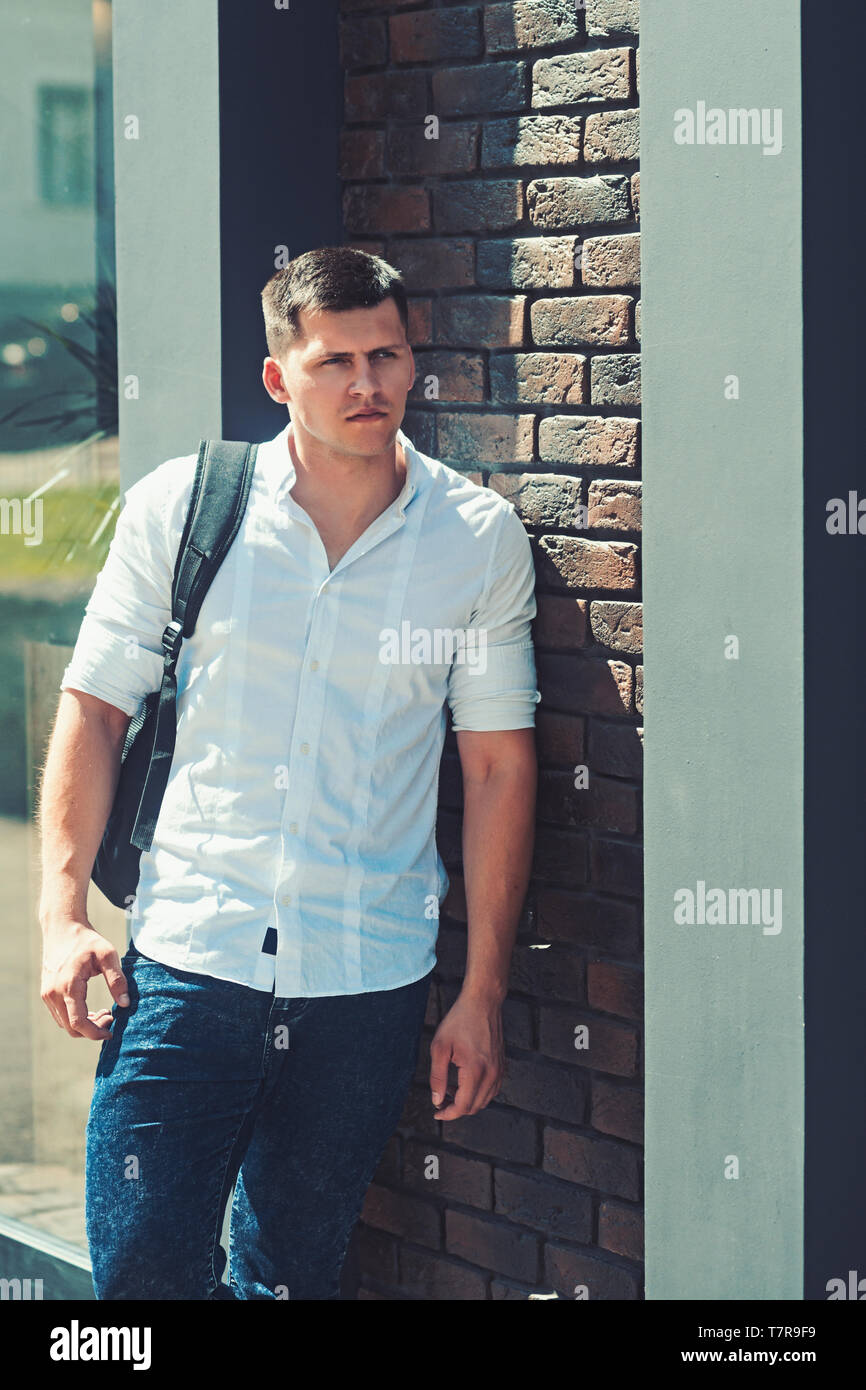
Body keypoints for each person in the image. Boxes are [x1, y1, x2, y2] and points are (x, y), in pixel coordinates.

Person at [37, 246, 539, 1300]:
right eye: (333, 361)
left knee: (291, 1283)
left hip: (365, 980)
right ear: (279, 377)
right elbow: (91, 707)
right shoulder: (185, 506)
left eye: (386, 355)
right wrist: (59, 913)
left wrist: (481, 989)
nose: (365, 384)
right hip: (188, 963)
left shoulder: (473, 537)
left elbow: (496, 767)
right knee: (139, 1283)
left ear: (412, 364)